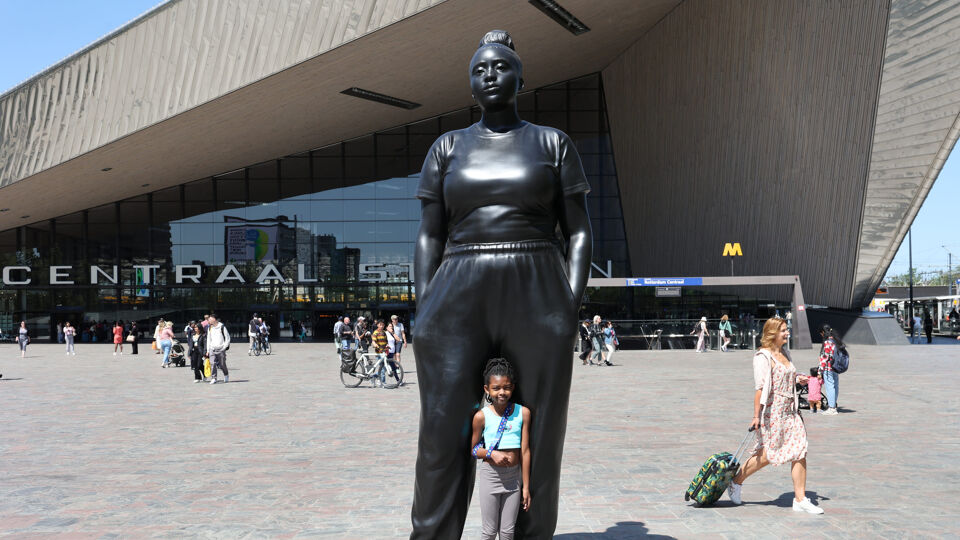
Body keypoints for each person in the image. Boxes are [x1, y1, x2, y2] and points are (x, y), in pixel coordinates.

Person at [411, 30, 592, 538]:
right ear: (471, 86)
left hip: (536, 289)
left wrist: (568, 304)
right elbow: (429, 236)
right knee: (443, 433)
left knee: (539, 430)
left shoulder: (553, 143)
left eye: (500, 66)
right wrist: (425, 309)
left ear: (520, 77)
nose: (490, 74)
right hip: (458, 288)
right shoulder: (447, 147)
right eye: (480, 69)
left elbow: (578, 232)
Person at [727, 317, 823, 514]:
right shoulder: (763, 357)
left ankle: (800, 499)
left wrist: (799, 379)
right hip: (773, 410)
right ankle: (736, 482)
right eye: (783, 330)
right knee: (767, 454)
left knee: (800, 449)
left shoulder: (784, 353)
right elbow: (760, 388)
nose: (787, 333)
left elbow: (788, 376)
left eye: (786, 330)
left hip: (790, 409)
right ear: (772, 333)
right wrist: (756, 416)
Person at [470, 358, 532, 539]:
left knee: (507, 532)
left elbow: (525, 451)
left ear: (512, 387)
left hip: (513, 479)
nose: (502, 392)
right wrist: (491, 453)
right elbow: (473, 450)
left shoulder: (523, 413)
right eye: (496, 388)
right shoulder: (481, 416)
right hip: (491, 476)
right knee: (489, 532)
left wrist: (526, 487)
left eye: (506, 387)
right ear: (486, 389)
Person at [818, 324, 842, 416]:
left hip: (828, 368)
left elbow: (825, 357)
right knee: (835, 386)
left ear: (823, 332)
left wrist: (820, 370)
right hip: (836, 367)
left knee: (830, 387)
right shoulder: (836, 340)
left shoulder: (828, 342)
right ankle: (834, 405)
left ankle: (832, 408)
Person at [206, 314, 231, 384]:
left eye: (210, 319)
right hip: (212, 348)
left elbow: (227, 338)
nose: (209, 320)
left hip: (221, 349)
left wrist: (224, 347)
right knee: (212, 363)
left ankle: (226, 374)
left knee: (222, 364)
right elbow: (209, 339)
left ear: (214, 319)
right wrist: (208, 350)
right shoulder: (210, 328)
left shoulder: (222, 327)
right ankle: (214, 378)